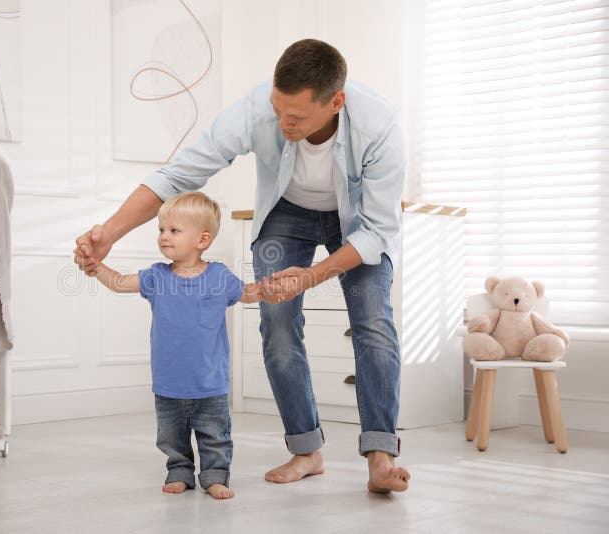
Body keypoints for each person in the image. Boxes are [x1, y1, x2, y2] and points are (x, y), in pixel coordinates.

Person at [75, 38, 410, 493]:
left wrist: (312, 275)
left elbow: (376, 230)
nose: (283, 121)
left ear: (336, 102)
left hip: (357, 224)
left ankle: (380, 457)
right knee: (276, 320)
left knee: (373, 319)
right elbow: (179, 175)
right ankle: (306, 451)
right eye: (278, 110)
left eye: (296, 116)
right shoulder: (257, 109)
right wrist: (109, 233)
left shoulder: (381, 124)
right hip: (285, 212)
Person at [86, 192, 265, 499]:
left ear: (202, 239)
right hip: (168, 383)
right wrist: (94, 266)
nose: (164, 237)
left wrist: (270, 289)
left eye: (174, 230)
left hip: (210, 383)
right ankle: (180, 470)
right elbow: (118, 283)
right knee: (171, 437)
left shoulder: (219, 277)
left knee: (215, 436)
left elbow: (247, 293)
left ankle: (215, 474)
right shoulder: (157, 276)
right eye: (161, 230)